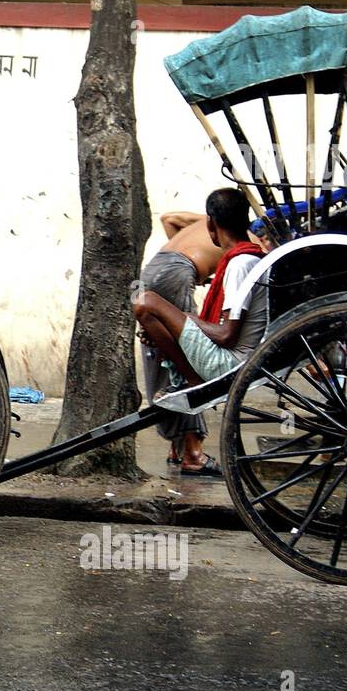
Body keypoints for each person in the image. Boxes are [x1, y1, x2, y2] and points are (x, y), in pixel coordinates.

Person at [133, 188, 268, 477]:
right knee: (159, 330)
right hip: (176, 272)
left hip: (161, 272)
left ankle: (190, 440)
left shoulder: (241, 261)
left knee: (148, 308)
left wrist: (183, 319)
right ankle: (184, 444)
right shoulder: (251, 253)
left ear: (210, 223)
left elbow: (225, 335)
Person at [138, 211, 225, 473]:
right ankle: (193, 455)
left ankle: (178, 448)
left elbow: (169, 219)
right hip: (176, 274)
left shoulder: (203, 223)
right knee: (189, 361)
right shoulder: (250, 242)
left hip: (154, 269)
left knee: (168, 360)